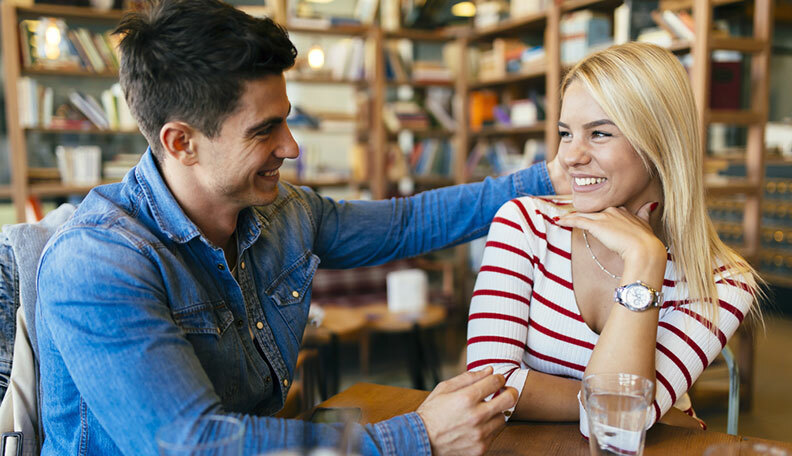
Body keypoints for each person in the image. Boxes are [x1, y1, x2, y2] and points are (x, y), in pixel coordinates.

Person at [34, 1, 571, 455]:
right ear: (181, 142)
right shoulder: (97, 261)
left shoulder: (283, 212)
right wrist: (419, 435)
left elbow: (408, 222)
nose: (291, 147)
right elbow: (194, 443)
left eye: (286, 120)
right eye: (264, 130)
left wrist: (552, 175)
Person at [466, 42, 762, 430]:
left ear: (661, 143)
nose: (570, 156)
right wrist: (636, 409)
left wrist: (644, 260)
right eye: (566, 133)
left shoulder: (724, 281)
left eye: (600, 134)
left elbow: (616, 428)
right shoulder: (525, 224)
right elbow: (487, 391)